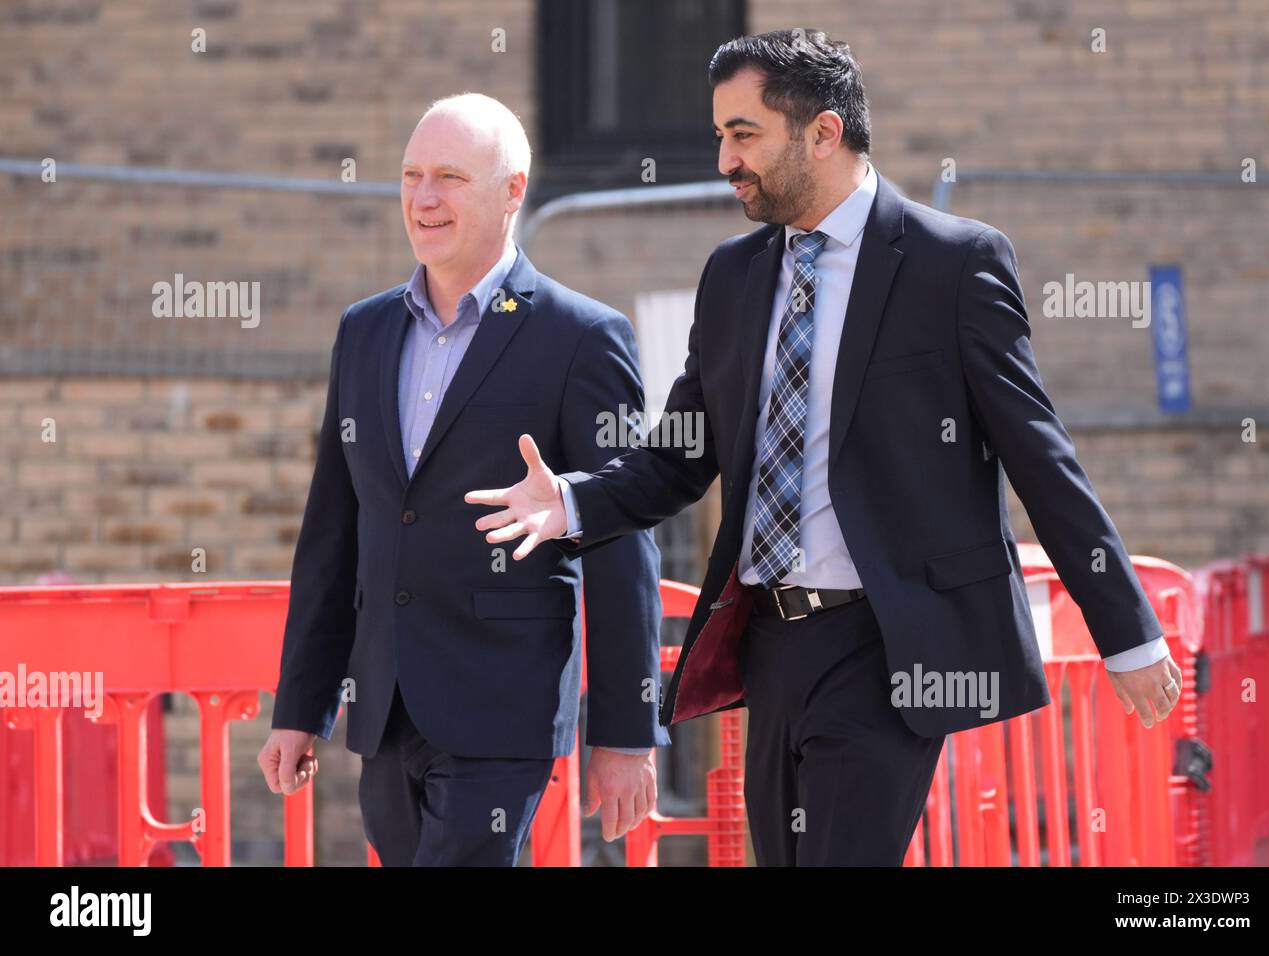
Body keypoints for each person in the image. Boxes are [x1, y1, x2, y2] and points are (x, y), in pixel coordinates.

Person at [465, 31, 1182, 866]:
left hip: (890, 647)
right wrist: (574, 502)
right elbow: (682, 457)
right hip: (770, 646)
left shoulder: (954, 265)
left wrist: (1127, 633)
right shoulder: (733, 277)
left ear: (824, 133)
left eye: (744, 135)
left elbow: (1039, 455)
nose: (726, 159)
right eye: (719, 137)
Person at [258, 93, 668, 866]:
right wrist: (300, 708)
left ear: (514, 189)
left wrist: (623, 733)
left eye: (450, 176)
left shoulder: (582, 338)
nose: (424, 198)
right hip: (382, 709)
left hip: (500, 709)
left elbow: (623, 544)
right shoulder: (364, 331)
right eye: (411, 176)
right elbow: (332, 533)